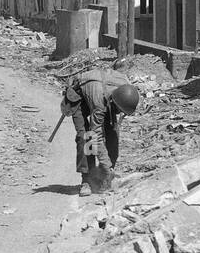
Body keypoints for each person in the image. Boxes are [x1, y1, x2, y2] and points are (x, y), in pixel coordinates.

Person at [60, 67, 140, 196]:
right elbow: (95, 134)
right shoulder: (99, 102)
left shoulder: (124, 87)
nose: (119, 113)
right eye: (120, 111)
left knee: (113, 133)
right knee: (86, 137)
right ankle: (86, 179)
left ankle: (105, 176)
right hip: (80, 98)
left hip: (106, 97)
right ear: (115, 102)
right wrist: (105, 163)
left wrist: (108, 168)